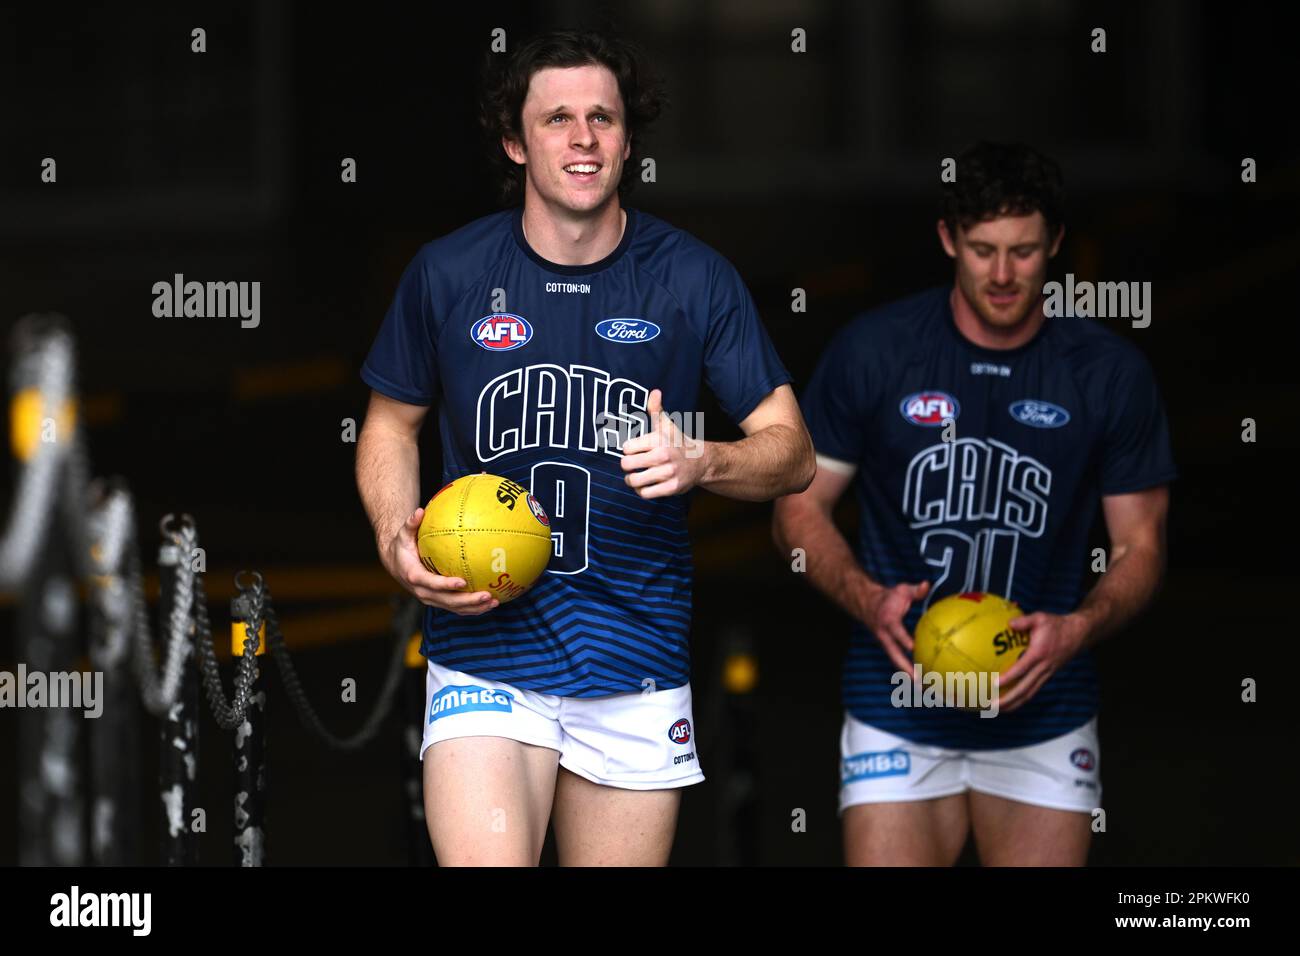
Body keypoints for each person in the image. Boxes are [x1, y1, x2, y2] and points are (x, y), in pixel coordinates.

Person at [356, 29, 814, 866]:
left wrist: (704, 461)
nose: (583, 138)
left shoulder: (692, 279)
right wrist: (394, 534)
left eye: (603, 117)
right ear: (514, 142)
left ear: (628, 140)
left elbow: (794, 453)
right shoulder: (449, 273)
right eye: (556, 118)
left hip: (635, 659)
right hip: (487, 655)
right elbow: (391, 423)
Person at [772, 142, 1176, 866]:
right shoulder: (875, 352)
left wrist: (1078, 628)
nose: (1002, 274)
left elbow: (1139, 545)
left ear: (1056, 242)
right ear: (948, 238)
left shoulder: (1109, 375)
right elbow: (798, 511)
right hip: (897, 705)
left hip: (1044, 713)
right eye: (984, 249)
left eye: (1023, 251)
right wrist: (868, 599)